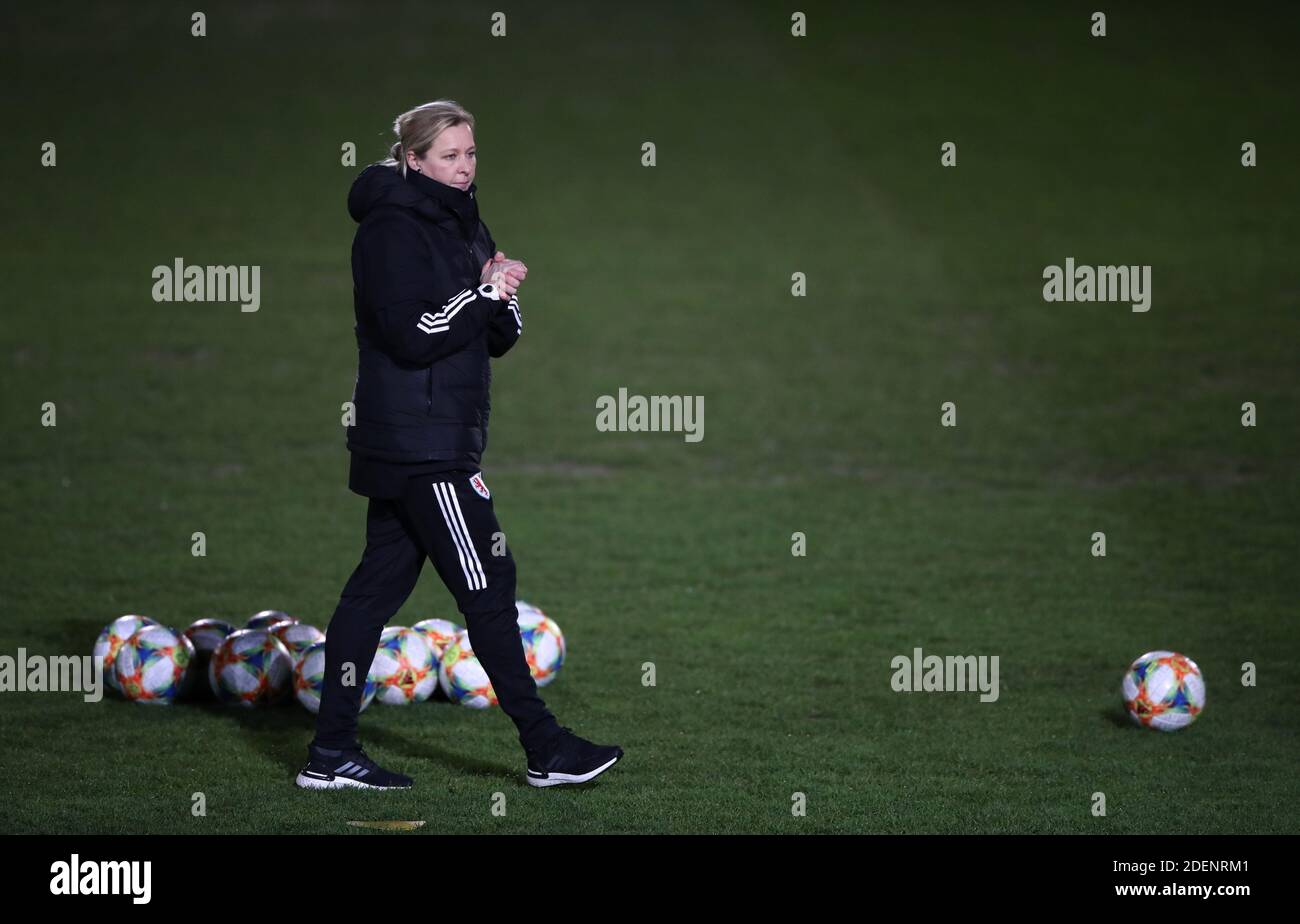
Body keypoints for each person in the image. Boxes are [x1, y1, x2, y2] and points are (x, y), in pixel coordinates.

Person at [296, 100, 623, 791]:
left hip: (434, 433)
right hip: (421, 443)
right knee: (487, 585)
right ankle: (546, 748)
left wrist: (500, 297)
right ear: (412, 160)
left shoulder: (464, 220)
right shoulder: (389, 230)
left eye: (471, 153)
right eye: (449, 156)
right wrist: (480, 296)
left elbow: (497, 335)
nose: (464, 166)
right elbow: (410, 333)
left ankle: (329, 757)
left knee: (371, 595)